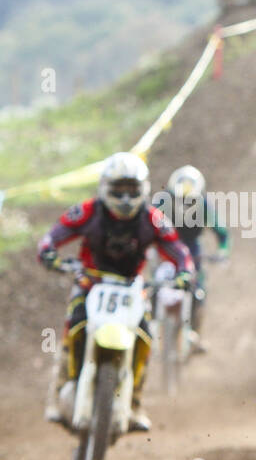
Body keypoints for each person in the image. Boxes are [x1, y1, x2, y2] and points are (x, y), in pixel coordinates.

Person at [37, 152, 195, 432]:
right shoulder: (88, 211)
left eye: (131, 191)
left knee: (146, 334)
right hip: (91, 282)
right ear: (105, 188)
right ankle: (58, 391)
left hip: (132, 287)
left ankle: (133, 402)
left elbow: (178, 249)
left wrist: (185, 271)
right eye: (118, 191)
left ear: (142, 189)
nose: (125, 199)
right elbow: (55, 234)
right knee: (74, 324)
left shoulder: (152, 218)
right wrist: (48, 252)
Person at [157, 165, 230, 350]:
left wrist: (222, 251)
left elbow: (221, 232)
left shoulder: (203, 204)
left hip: (193, 252)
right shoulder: (163, 203)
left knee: (199, 291)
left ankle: (195, 333)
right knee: (153, 286)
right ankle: (148, 324)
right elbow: (147, 221)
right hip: (166, 250)